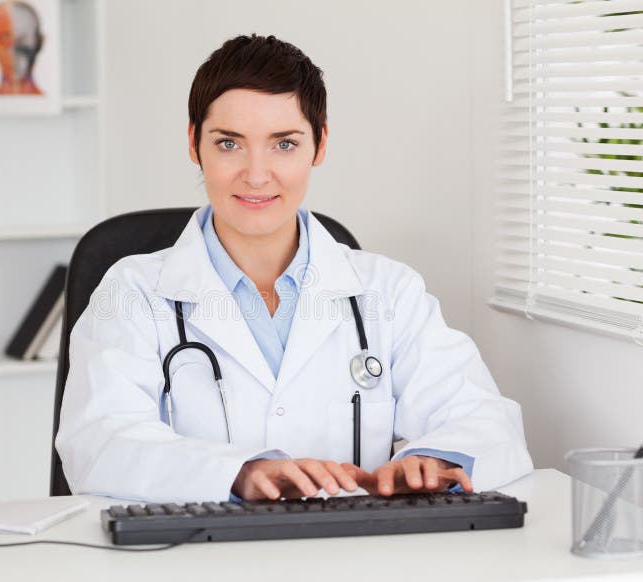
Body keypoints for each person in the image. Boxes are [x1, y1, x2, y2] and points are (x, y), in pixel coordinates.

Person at [56, 34, 533, 503]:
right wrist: (238, 474)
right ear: (193, 143)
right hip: (195, 549)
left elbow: (483, 418)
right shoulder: (133, 292)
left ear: (319, 145)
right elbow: (99, 443)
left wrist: (433, 459)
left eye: (284, 144)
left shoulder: (388, 291)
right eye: (229, 143)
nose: (256, 174)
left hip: (356, 547)